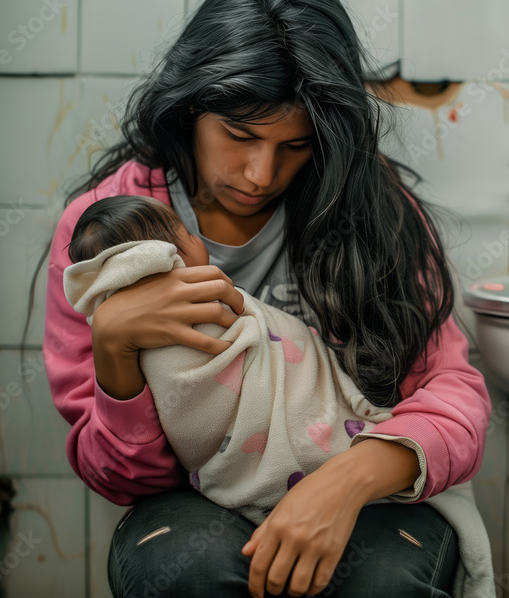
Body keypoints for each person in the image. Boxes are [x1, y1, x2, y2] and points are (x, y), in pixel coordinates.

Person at [41, 0, 493, 597]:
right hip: (200, 496)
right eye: (239, 135)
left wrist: (351, 477)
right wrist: (115, 353)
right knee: (188, 578)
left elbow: (455, 396)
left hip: (370, 486)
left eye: (296, 146)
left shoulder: (373, 213)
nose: (259, 174)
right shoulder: (103, 239)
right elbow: (123, 481)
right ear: (189, 107)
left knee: (385, 584)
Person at [61, 194, 397, 522]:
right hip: (175, 497)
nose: (259, 177)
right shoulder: (186, 313)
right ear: (165, 256)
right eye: (187, 232)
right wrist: (111, 341)